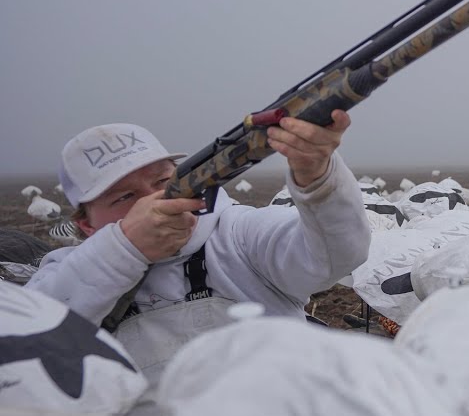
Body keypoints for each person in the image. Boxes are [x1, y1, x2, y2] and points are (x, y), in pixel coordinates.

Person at [26, 116, 370, 382]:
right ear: (86, 224)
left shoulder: (236, 234)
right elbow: (25, 344)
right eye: (124, 197)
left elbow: (338, 255)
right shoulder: (62, 275)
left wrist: (319, 177)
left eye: (163, 181)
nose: (155, 202)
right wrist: (125, 248)